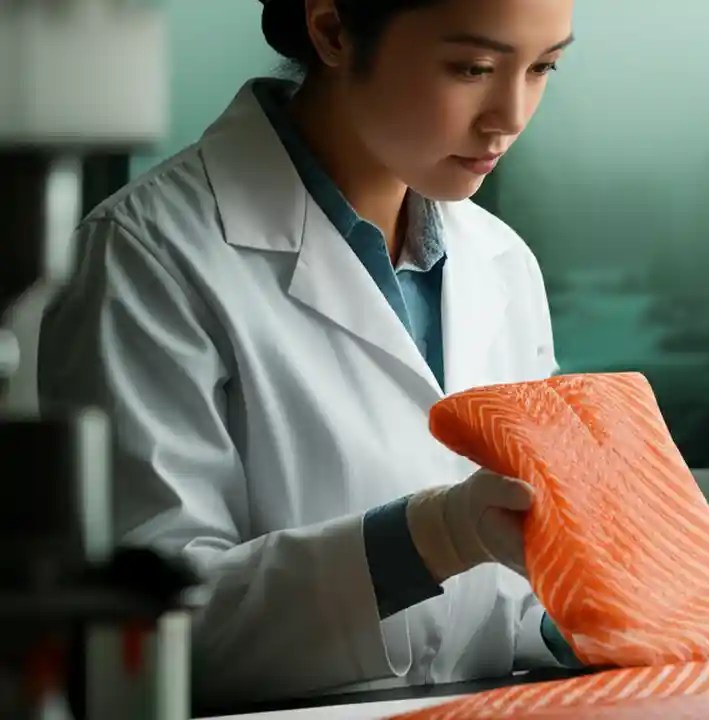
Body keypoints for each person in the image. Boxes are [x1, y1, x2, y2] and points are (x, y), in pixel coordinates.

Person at [38, 0, 578, 707]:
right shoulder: (146, 254)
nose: (509, 115)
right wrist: (435, 535)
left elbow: (495, 604)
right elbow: (148, 630)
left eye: (543, 68)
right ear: (332, 29)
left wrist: (570, 627)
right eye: (472, 68)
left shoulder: (501, 262)